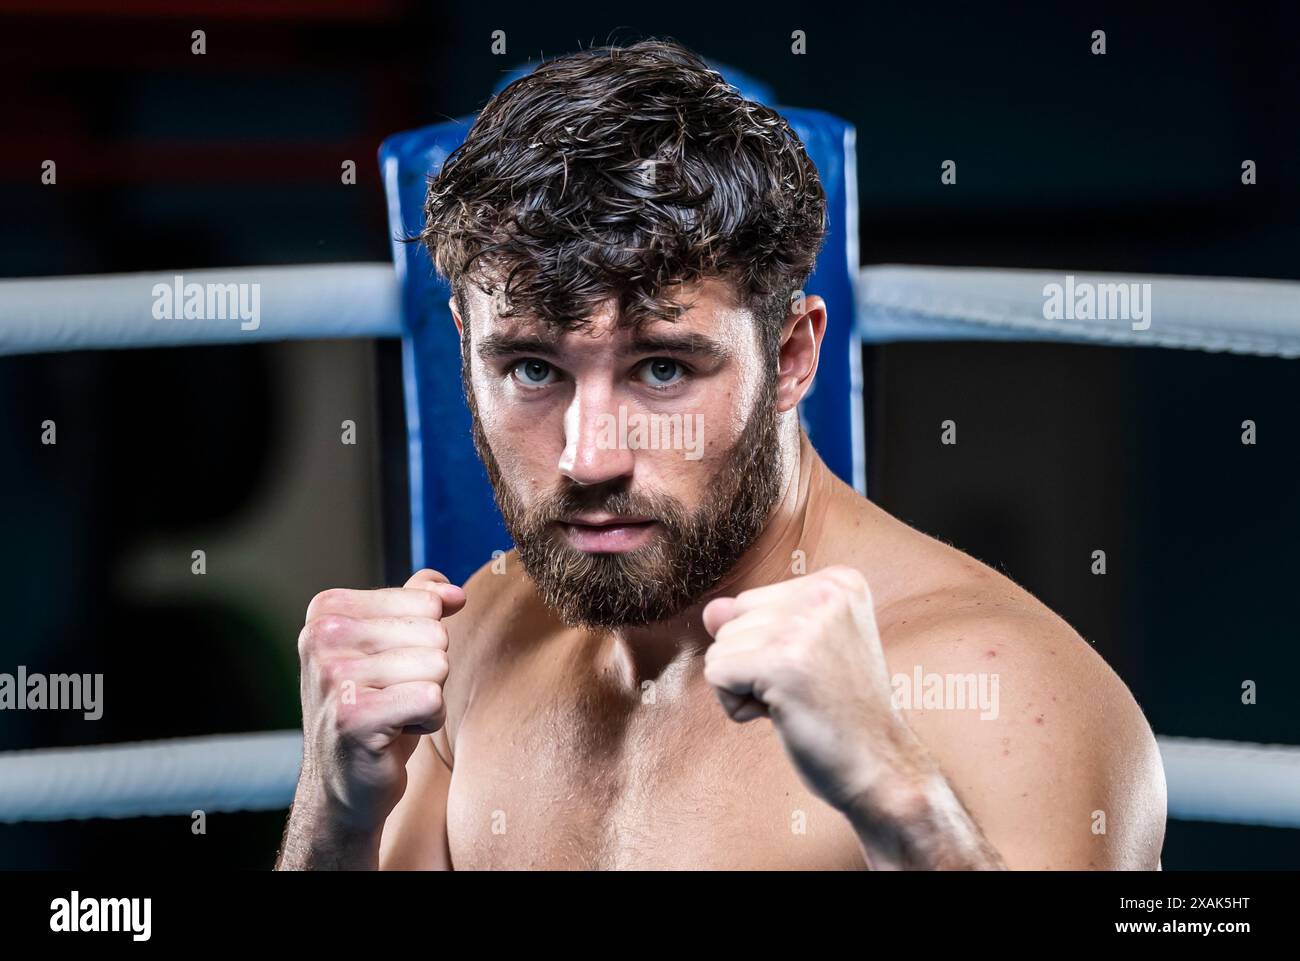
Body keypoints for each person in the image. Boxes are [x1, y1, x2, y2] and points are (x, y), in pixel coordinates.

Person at [275, 39, 1166, 871]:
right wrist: (333, 819)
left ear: (789, 356)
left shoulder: (999, 697)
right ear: (466, 349)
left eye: (662, 367)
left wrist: (899, 801)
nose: (590, 459)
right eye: (533, 368)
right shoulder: (473, 651)